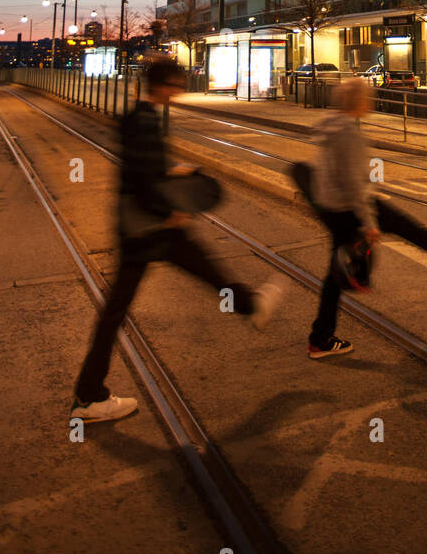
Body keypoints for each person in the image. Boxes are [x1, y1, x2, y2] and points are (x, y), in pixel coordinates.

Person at [71, 55, 284, 422]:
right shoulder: (146, 122)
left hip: (138, 227)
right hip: (150, 227)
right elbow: (140, 176)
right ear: (164, 86)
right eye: (177, 86)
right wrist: (168, 209)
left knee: (120, 308)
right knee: (199, 271)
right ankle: (249, 305)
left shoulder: (137, 117)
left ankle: (89, 393)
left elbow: (143, 167)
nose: (180, 93)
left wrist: (173, 171)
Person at [305, 79, 427, 359]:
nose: (371, 101)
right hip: (350, 207)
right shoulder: (348, 134)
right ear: (358, 102)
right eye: (367, 97)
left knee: (334, 274)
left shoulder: (329, 124)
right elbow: (355, 183)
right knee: (407, 227)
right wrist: (369, 222)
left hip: (332, 208)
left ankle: (320, 338)